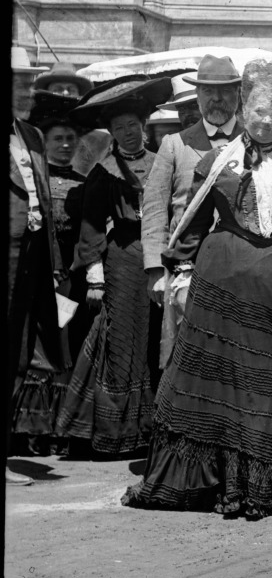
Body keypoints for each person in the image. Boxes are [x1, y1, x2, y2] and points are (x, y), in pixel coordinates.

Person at [124, 55, 272, 519]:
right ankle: (208, 483)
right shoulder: (220, 162)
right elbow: (191, 223)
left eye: (271, 120)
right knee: (215, 386)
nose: (262, 127)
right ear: (246, 111)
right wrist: (179, 271)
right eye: (256, 118)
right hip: (215, 297)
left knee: (269, 386)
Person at [55, 75, 170, 455]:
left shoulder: (161, 163)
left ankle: (157, 427)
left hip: (158, 257)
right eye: (120, 129)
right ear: (112, 134)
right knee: (122, 337)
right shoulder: (103, 172)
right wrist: (95, 277)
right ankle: (117, 433)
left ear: (144, 127)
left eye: (133, 127)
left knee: (157, 336)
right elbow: (90, 227)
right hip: (121, 260)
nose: (128, 134)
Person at [142, 55, 243, 372]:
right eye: (209, 91)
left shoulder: (255, 141)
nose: (217, 99)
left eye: (226, 91)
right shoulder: (174, 145)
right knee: (187, 358)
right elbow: (155, 209)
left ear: (238, 93)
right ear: (197, 95)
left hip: (240, 269)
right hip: (186, 267)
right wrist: (155, 271)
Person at [11, 95, 87, 456]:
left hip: (67, 275)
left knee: (59, 349)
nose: (65, 144)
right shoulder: (34, 179)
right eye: (57, 139)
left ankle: (53, 430)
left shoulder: (85, 183)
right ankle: (24, 430)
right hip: (32, 269)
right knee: (31, 346)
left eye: (70, 138)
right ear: (45, 143)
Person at [9, 48, 67, 484]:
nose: (29, 91)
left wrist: (52, 262)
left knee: (20, 352)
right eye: (21, 82)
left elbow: (43, 201)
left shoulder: (29, 135)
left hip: (31, 259)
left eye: (30, 82)